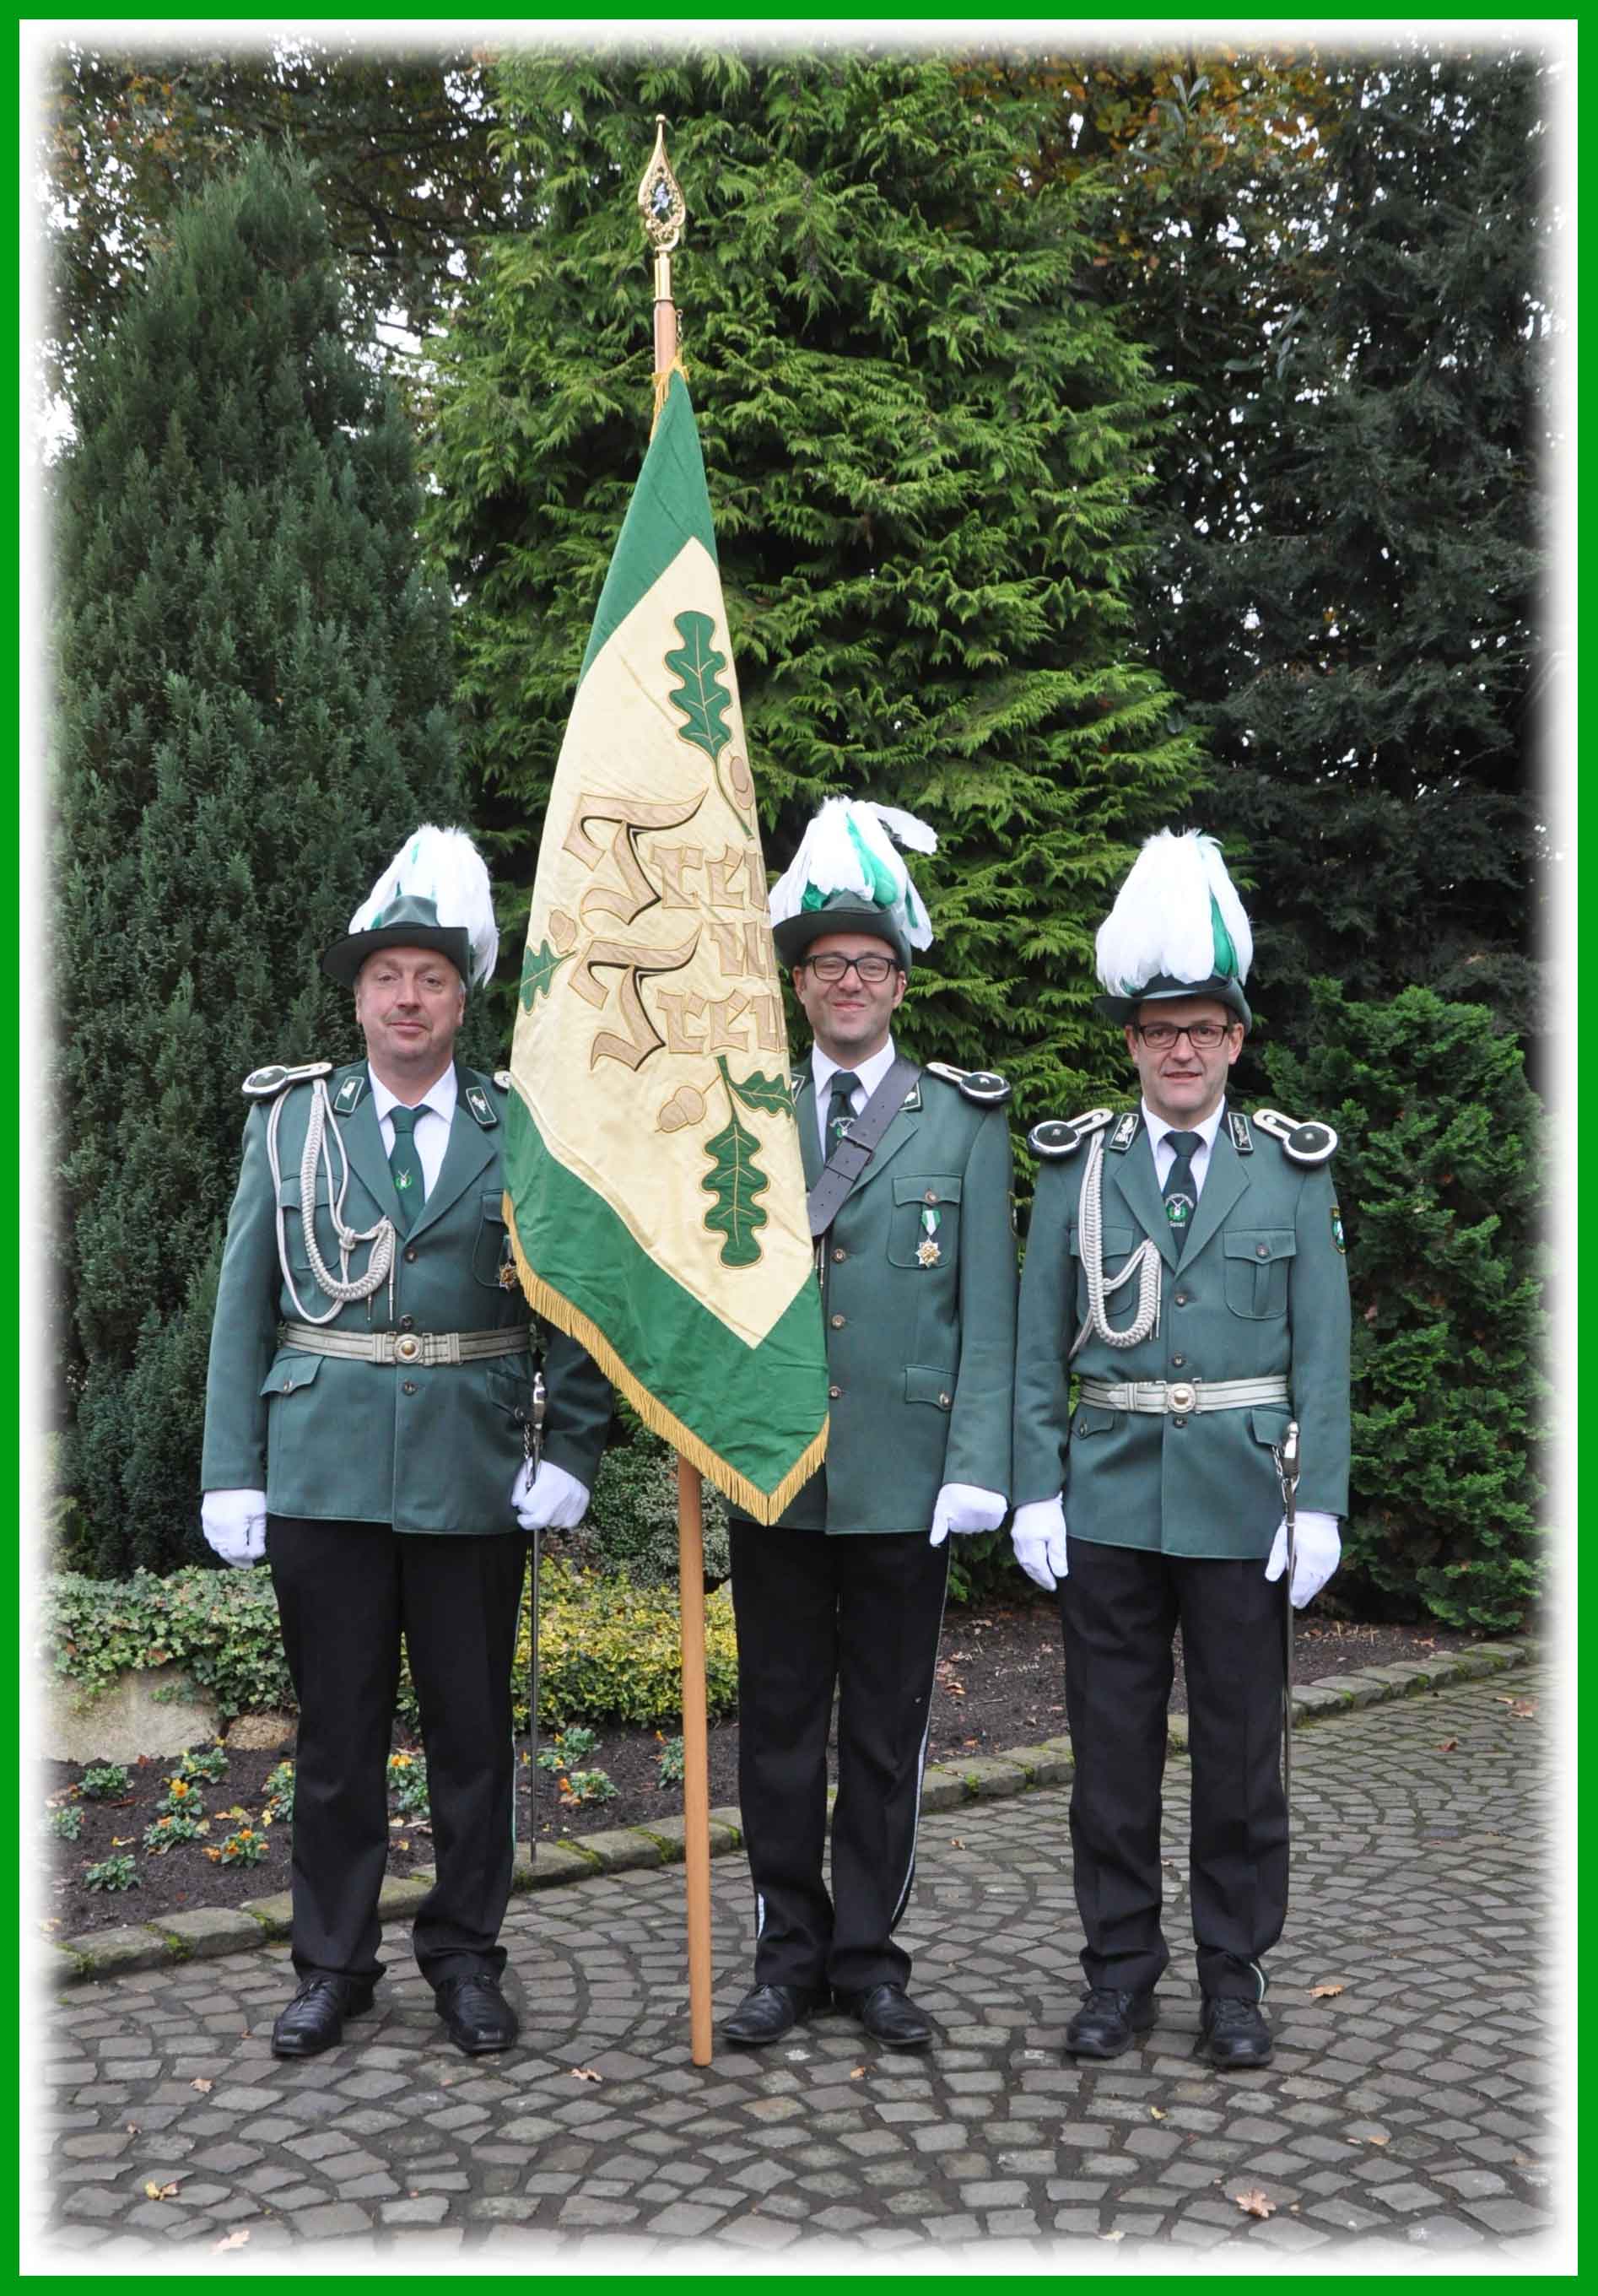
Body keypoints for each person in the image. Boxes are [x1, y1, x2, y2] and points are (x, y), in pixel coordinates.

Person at [200, 827, 610, 2061]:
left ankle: (467, 1959)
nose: (408, 997)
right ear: (359, 991)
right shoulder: (290, 1121)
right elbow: (243, 1304)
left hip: (471, 1471)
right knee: (334, 1741)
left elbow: (573, 1299)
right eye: (388, 974)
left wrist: (574, 1444)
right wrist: (233, 1466)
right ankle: (332, 1962)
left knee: (473, 1736)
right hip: (323, 1467)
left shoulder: (518, 1130)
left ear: (460, 995)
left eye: (432, 976)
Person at [1011, 829, 1351, 2070]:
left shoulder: (1289, 1171)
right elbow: (1032, 1338)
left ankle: (1232, 1976)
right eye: (1160, 1028)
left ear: (1237, 1040)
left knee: (1240, 1761)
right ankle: (1116, 1974)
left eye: (1205, 1027)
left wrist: (1317, 1503)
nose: (1181, 1048)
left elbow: (1322, 1350)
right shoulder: (1076, 1166)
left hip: (1240, 1500)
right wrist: (1033, 1484)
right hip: (1104, 1499)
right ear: (1132, 1040)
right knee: (1107, 1760)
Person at [719, 798, 1018, 2051]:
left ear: (900, 979)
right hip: (778, 1471)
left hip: (905, 1477)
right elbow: (715, 1295)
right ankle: (787, 1956)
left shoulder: (962, 1116)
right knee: (781, 1728)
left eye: (871, 963)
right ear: (797, 983)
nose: (849, 982)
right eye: (828, 963)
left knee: (885, 1731)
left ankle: (869, 1956)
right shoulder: (741, 1112)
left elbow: (988, 1312)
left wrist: (979, 1464)